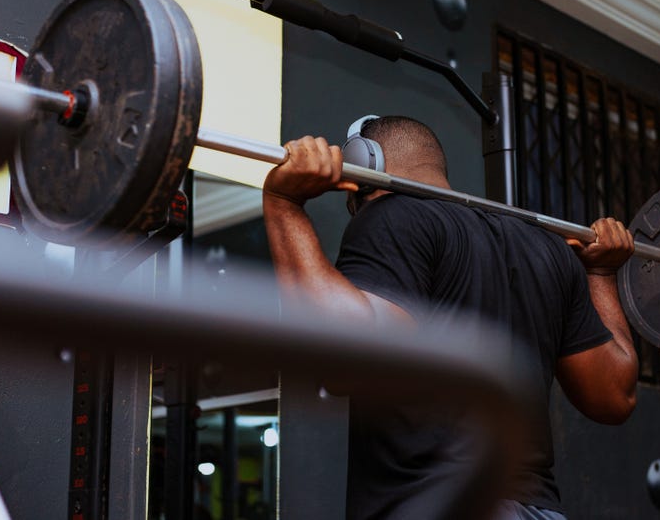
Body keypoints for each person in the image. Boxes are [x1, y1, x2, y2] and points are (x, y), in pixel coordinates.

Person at [263, 116, 638, 520]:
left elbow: (343, 360)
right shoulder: (548, 250)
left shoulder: (392, 214)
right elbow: (614, 397)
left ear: (365, 170)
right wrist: (601, 274)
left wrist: (284, 205)